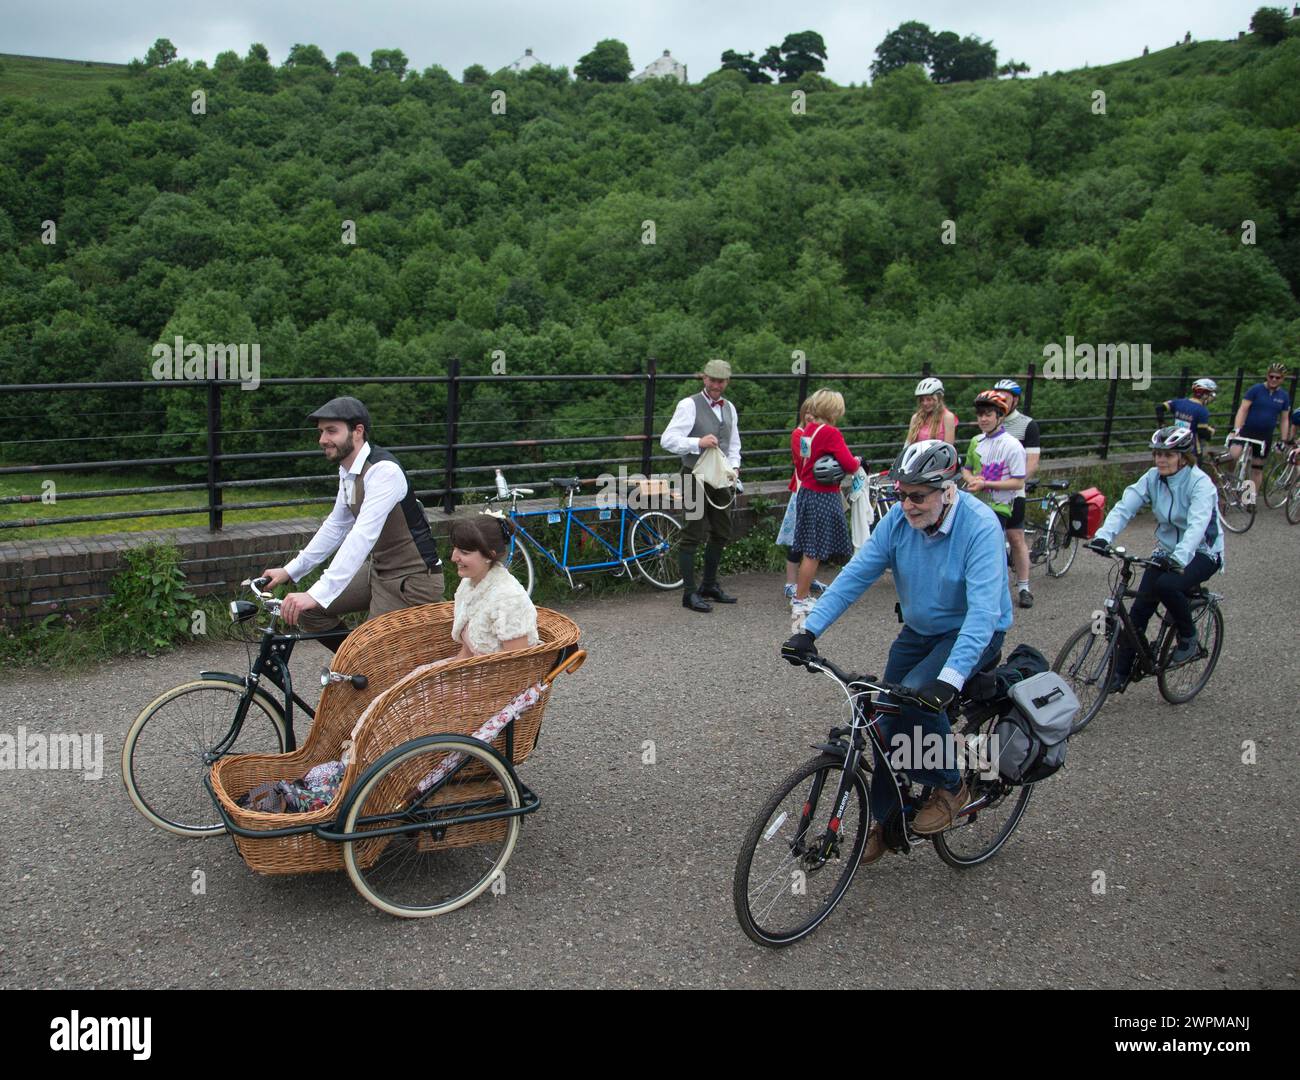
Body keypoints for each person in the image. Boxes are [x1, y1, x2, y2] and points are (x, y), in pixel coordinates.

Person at [782, 440, 1011, 857]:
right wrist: (809, 630)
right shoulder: (899, 523)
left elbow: (982, 615)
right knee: (885, 718)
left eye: (918, 496)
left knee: (921, 701)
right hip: (920, 629)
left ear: (948, 489)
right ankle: (886, 822)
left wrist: (950, 678)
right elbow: (855, 575)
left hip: (971, 632)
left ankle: (950, 785)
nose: (906, 505)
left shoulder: (980, 527)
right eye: (900, 494)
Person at [261, 397, 444, 650]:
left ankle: (365, 667)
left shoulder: (384, 472)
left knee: (367, 651)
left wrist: (317, 592)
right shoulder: (348, 471)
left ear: (358, 431)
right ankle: (357, 670)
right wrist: (290, 571)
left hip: (412, 580)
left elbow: (362, 536)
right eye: (321, 431)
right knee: (310, 612)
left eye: (331, 431)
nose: (323, 439)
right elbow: (336, 526)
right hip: (378, 572)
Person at [1087, 426, 1224, 692]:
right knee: (1137, 613)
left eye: (1168, 455)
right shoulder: (1152, 478)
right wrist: (1103, 537)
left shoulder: (1200, 484)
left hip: (1203, 552)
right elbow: (1125, 506)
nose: (1161, 459)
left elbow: (1197, 526)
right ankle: (1120, 673)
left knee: (1168, 585)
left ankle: (1188, 638)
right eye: (1158, 454)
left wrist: (1180, 558)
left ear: (1183, 458)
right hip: (1168, 551)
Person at [660, 358, 742, 613]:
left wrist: (735, 467)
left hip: (720, 477)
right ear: (704, 379)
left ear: (726, 382)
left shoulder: (729, 407)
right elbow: (667, 440)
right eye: (713, 380)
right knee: (693, 531)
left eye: (721, 381)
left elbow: (734, 443)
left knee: (721, 530)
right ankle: (689, 593)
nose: (717, 385)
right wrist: (697, 442)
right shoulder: (688, 405)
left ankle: (709, 584)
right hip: (693, 474)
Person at [787, 389, 861, 632]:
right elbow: (849, 465)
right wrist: (858, 462)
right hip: (823, 494)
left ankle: (802, 592)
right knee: (814, 550)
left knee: (809, 545)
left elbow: (804, 461)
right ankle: (800, 598)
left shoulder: (807, 431)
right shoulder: (830, 433)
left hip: (806, 491)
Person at [962, 390, 1032, 609]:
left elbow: (1018, 482)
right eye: (980, 414)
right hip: (976, 503)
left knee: (996, 550)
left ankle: (1018, 589)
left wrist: (986, 484)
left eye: (988, 414)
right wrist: (972, 478)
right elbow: (966, 469)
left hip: (1000, 506)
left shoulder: (1012, 445)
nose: (983, 419)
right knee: (970, 548)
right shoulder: (976, 441)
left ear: (1000, 416)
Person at [447, 515, 539, 658]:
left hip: (503, 677)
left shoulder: (508, 598)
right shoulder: (469, 583)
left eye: (464, 552)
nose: (453, 557)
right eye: (455, 548)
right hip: (477, 670)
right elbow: (467, 651)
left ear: (490, 555)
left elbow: (518, 662)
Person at [1228, 362, 1292, 492]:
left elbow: (1284, 419)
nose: (1273, 379)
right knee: (1233, 455)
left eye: (1277, 377)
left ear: (1282, 379)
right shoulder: (1256, 389)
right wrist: (1236, 429)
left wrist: (1284, 440)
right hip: (1247, 430)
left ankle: (1249, 499)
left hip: (1264, 435)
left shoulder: (1284, 397)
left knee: (1257, 468)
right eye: (1271, 376)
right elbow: (1243, 409)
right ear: (1267, 376)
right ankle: (1226, 485)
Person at [993, 378, 1041, 481]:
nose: (1000, 403)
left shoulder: (1028, 424)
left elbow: (1032, 463)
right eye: (996, 399)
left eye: (1004, 400)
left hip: (1013, 487)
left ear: (1015, 400)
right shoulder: (990, 422)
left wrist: (1015, 484)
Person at [1160, 378, 1217, 458]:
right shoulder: (1202, 410)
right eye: (1211, 394)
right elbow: (1202, 433)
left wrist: (1162, 425)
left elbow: (1159, 408)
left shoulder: (1179, 402)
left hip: (1176, 445)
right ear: (1204, 394)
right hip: (1192, 450)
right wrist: (1211, 431)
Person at [905, 378, 957, 445]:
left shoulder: (947, 417)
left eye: (929, 399)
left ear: (939, 398)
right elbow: (907, 445)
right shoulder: (915, 418)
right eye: (922, 400)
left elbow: (948, 448)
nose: (925, 403)